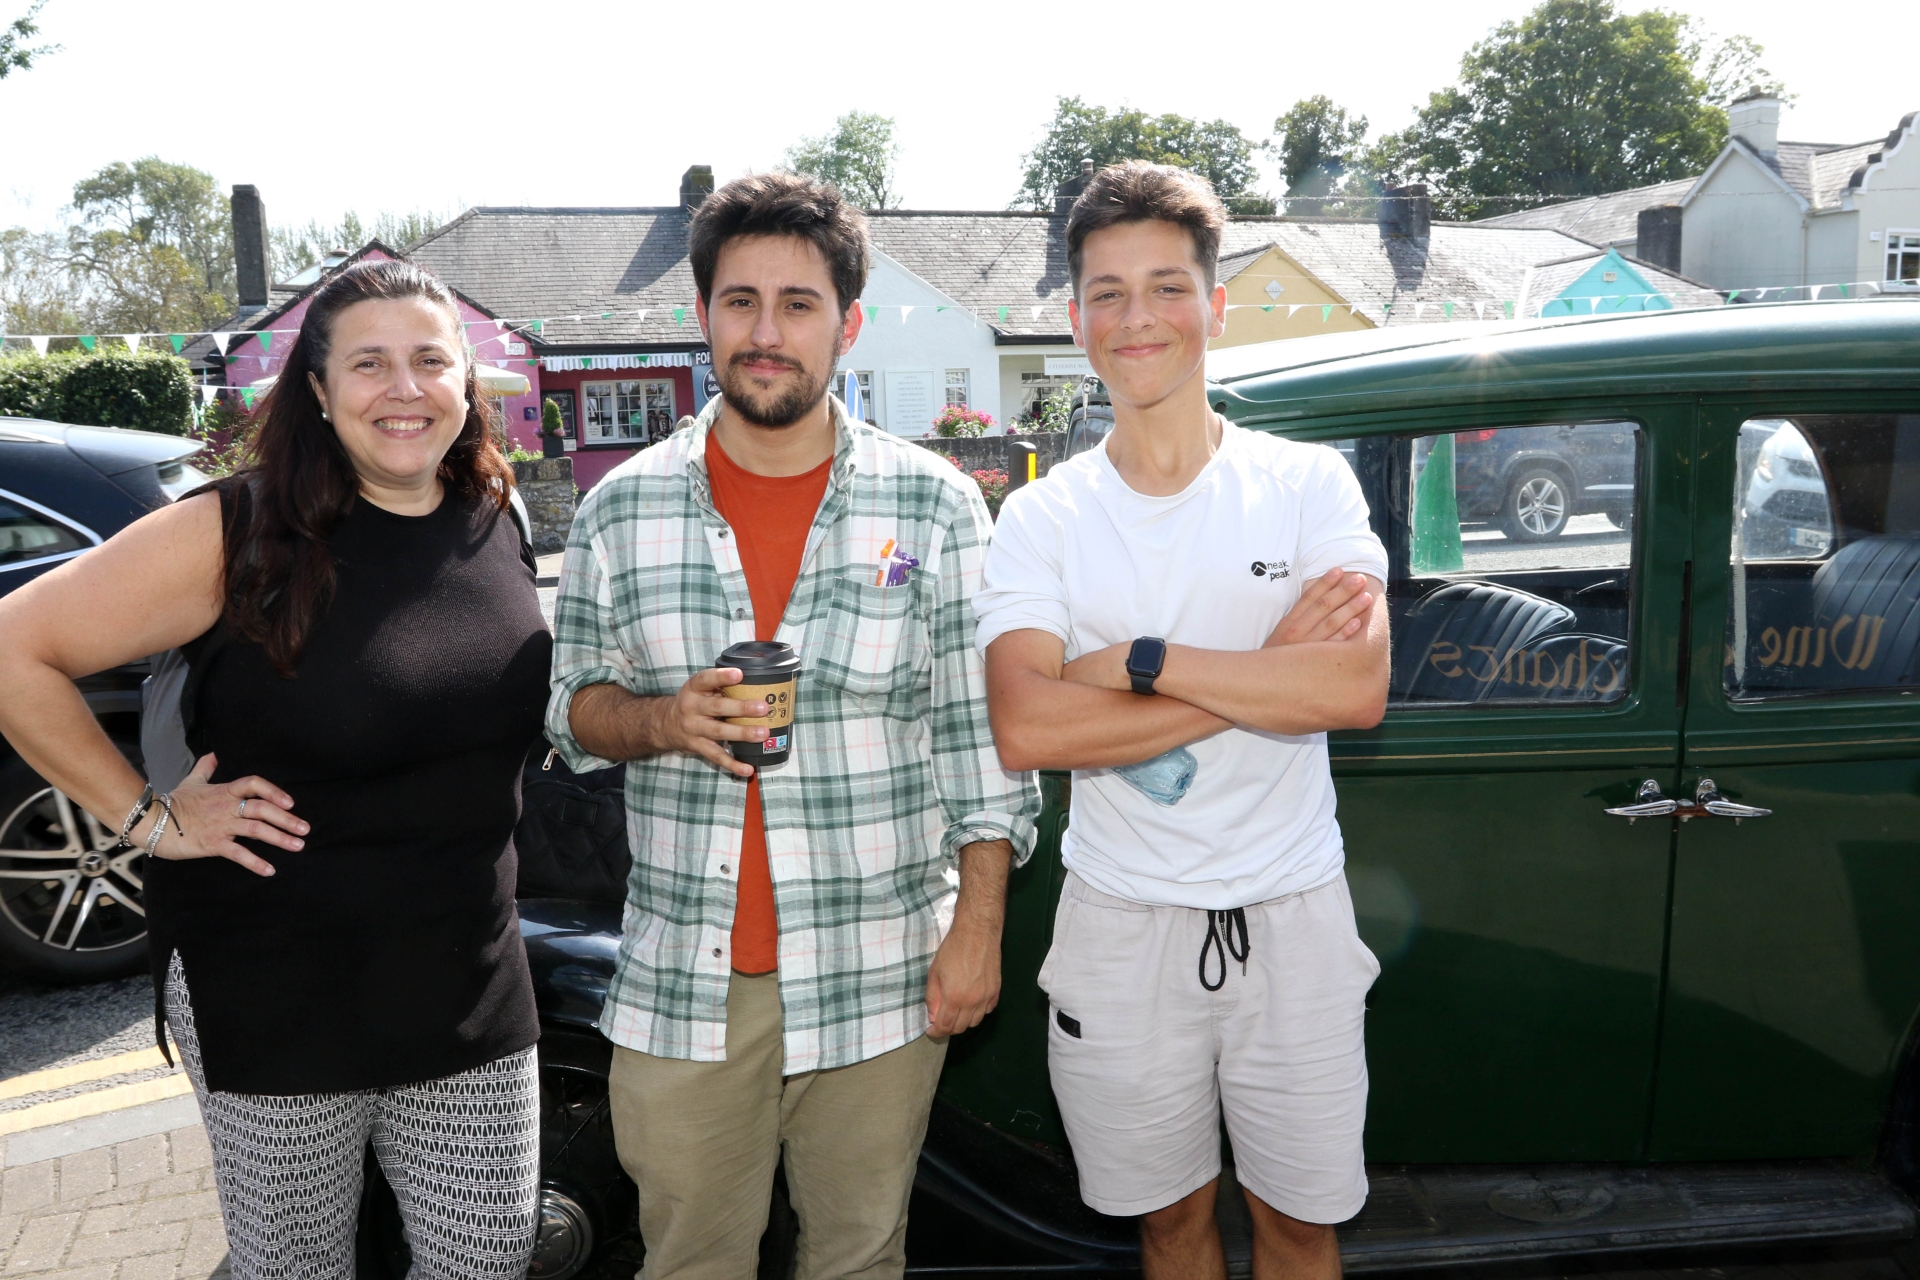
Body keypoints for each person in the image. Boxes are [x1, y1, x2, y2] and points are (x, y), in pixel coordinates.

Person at [0, 259, 547, 1278]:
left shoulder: (494, 514)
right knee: (295, 1264)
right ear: (317, 389)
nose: (403, 388)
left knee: (487, 1259)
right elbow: (12, 650)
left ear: (466, 379)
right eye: (369, 363)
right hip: (273, 986)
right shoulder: (238, 530)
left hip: (466, 977)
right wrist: (151, 821)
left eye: (430, 359)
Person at [546, 171, 1037, 1279]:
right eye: (740, 302)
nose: (767, 334)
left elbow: (982, 737)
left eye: (799, 304)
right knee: (689, 1262)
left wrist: (978, 928)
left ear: (847, 324)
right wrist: (662, 716)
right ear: (703, 315)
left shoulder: (935, 505)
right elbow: (571, 711)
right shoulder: (621, 506)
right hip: (683, 983)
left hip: (881, 970)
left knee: (860, 1257)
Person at [974, 161, 1391, 1280]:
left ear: (1215, 303)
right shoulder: (1043, 519)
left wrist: (1141, 666)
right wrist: (1264, 671)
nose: (1136, 317)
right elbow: (1029, 728)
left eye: (1165, 286)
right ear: (1074, 319)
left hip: (1295, 917)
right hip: (1122, 928)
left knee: (1302, 1228)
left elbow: (1352, 689)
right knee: (1169, 1227)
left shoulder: (1307, 484)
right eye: (1106, 292)